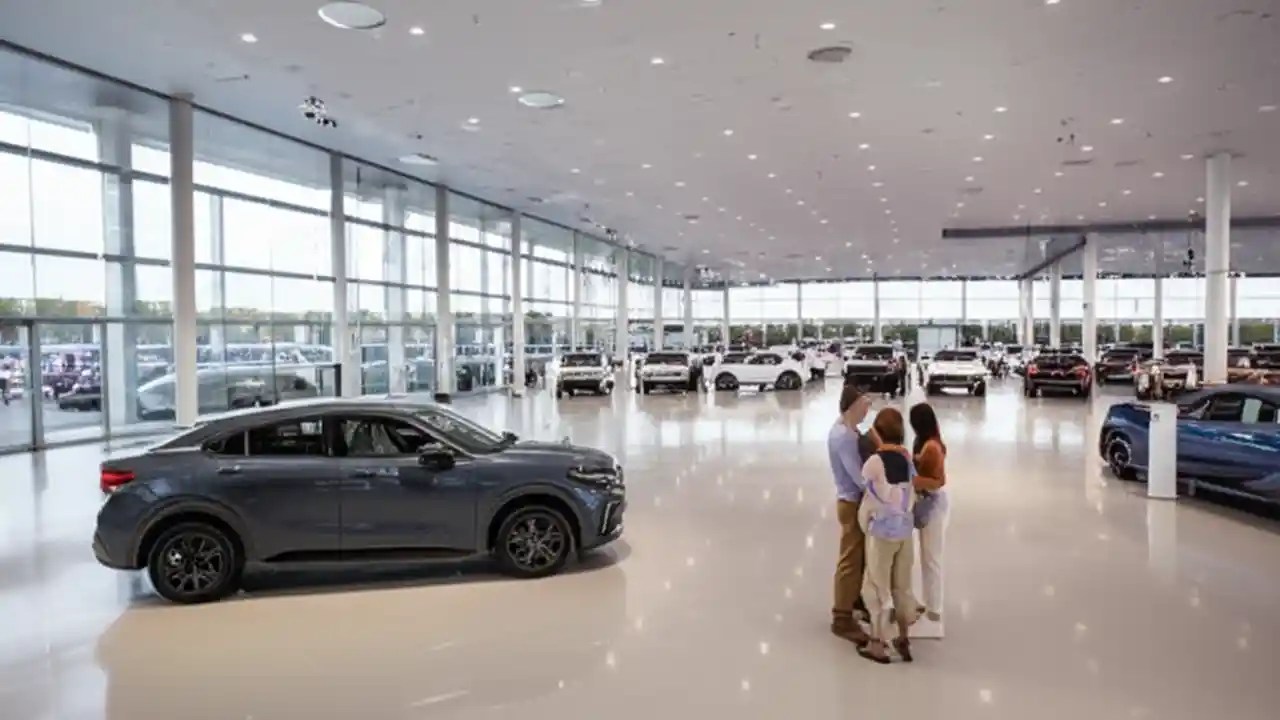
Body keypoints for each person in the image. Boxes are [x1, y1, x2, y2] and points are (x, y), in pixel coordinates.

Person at [857, 408, 921, 663]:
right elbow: (912, 493)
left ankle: (878, 643)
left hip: (881, 533)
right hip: (905, 531)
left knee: (876, 586)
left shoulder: (873, 462)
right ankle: (903, 638)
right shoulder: (907, 460)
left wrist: (865, 525)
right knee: (903, 586)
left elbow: (869, 498)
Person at [828, 385, 879, 644]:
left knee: (858, 557)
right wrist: (884, 490)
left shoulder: (846, 430)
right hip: (851, 503)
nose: (866, 411)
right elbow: (859, 477)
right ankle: (841, 617)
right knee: (850, 560)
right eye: (864, 406)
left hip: (854, 501)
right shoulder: (844, 437)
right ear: (852, 405)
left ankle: (853, 600)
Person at [910, 402, 948, 622]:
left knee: (931, 556)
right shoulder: (927, 443)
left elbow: (939, 481)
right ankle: (930, 602)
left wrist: (913, 480)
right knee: (927, 556)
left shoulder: (932, 447)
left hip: (932, 503)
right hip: (927, 501)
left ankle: (935, 607)